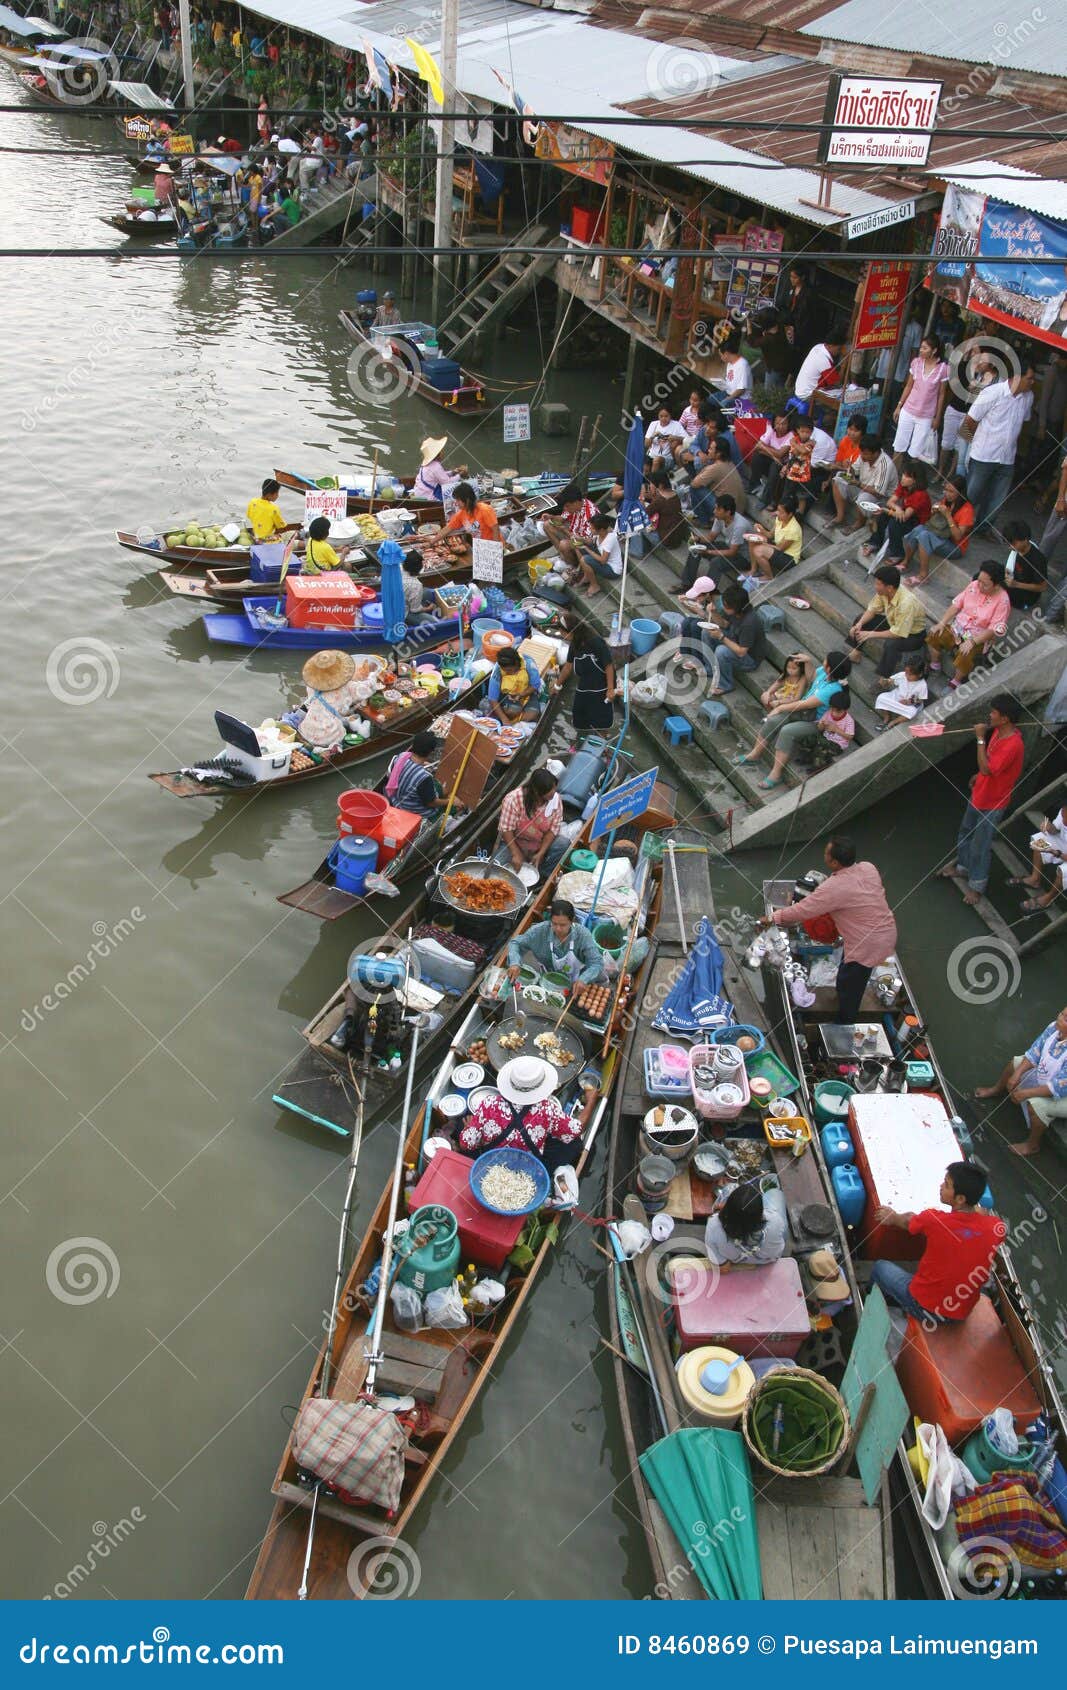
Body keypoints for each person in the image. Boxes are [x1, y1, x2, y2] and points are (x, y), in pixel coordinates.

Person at [758, 836, 898, 1023]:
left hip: (868, 944)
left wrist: (772, 918)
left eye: (826, 853)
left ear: (834, 861)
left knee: (851, 988)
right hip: (886, 932)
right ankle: (842, 993)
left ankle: (845, 1021)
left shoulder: (834, 888)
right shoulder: (868, 867)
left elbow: (802, 910)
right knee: (847, 972)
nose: (823, 854)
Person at [870, 1162, 1005, 1320]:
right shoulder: (995, 1226)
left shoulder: (933, 1220)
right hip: (962, 1312)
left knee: (880, 1267)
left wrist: (893, 1217)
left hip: (927, 1309)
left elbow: (907, 1221)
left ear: (961, 1199)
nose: (941, 1186)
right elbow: (989, 1221)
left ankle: (880, 1303)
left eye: (947, 1185)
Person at [940, 694, 1024, 903]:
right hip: (980, 793)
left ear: (1004, 718)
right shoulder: (997, 732)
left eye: (994, 712)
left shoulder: (1013, 745)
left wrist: (979, 738)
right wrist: (977, 777)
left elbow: (987, 767)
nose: (990, 715)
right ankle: (963, 867)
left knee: (981, 845)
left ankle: (977, 887)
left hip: (994, 802)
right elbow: (989, 763)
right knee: (965, 831)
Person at [735, 651, 852, 790]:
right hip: (802, 712)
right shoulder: (823, 672)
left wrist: (780, 707)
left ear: (830, 668)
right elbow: (812, 678)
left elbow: (806, 704)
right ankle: (755, 754)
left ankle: (776, 774)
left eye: (826, 661)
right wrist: (808, 661)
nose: (823, 661)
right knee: (773, 721)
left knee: (787, 731)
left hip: (815, 721)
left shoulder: (833, 689)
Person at [456, 1056, 594, 1171]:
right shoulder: (548, 1110)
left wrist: (469, 1127)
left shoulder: (489, 1103)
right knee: (574, 1143)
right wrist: (591, 1101)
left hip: (491, 1164)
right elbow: (576, 1129)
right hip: (525, 1169)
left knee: (460, 1123)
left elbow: (465, 1144)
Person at [975, 1008, 1067, 1156]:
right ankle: (997, 1089)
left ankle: (1032, 1145)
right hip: (1048, 1074)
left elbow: (1058, 1087)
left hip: (1063, 1094)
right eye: (1062, 1013)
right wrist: (1016, 1074)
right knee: (1015, 1063)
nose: (1059, 1017)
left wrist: (1026, 1093)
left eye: (1065, 1019)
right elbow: (1034, 1053)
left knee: (1037, 1106)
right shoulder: (1053, 1028)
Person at [960, 365, 1036, 531]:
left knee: (997, 498)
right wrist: (974, 445)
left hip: (1007, 457)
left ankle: (983, 529)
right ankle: (957, 525)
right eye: (1029, 378)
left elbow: (1023, 422)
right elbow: (969, 421)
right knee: (972, 494)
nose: (1032, 382)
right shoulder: (992, 392)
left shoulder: (1028, 397)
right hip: (983, 455)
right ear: (1017, 377)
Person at [926, 562, 1011, 686]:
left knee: (966, 653)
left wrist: (972, 642)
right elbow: (957, 604)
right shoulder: (974, 585)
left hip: (978, 636)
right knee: (934, 634)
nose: (980, 586)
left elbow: (993, 629)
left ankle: (956, 681)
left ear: (996, 585)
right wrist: (942, 623)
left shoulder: (1003, 601)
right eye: (979, 581)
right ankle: (935, 665)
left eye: (985, 584)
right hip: (958, 627)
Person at [682, 581, 766, 695]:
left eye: (725, 605)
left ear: (736, 607)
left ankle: (726, 685)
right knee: (707, 632)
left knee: (721, 651)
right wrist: (714, 613)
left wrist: (721, 637)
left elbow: (741, 652)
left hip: (749, 659)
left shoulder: (749, 623)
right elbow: (725, 624)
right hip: (734, 639)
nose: (723, 605)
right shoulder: (735, 611)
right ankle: (709, 668)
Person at [847, 564, 927, 676]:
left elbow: (898, 633)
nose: (875, 586)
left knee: (891, 644)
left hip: (913, 635)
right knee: (861, 618)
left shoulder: (906, 603)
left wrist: (871, 634)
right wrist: (859, 624)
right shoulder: (884, 592)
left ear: (889, 587)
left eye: (878, 584)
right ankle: (856, 652)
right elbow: (872, 609)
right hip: (893, 623)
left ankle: (883, 677)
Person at [507, 898, 605, 987]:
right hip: (548, 978)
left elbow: (596, 962)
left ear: (572, 921)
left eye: (563, 925)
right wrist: (515, 963)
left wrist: (583, 980)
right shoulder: (539, 931)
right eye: (554, 924)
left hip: (575, 980)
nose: (558, 929)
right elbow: (515, 943)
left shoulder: (583, 935)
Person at [902, 474, 975, 584]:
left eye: (951, 492)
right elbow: (934, 523)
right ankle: (905, 562)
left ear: (960, 493)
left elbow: (958, 536)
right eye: (945, 490)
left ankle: (923, 575)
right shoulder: (946, 500)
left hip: (955, 547)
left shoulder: (967, 509)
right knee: (919, 529)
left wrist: (948, 516)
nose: (947, 494)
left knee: (924, 535)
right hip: (940, 536)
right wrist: (934, 511)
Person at [494, 767, 566, 875]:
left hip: (538, 843)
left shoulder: (555, 799)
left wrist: (541, 852)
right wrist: (516, 853)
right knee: (496, 867)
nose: (554, 793)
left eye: (554, 789)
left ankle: (542, 876)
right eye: (549, 792)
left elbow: (553, 830)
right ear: (537, 793)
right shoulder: (513, 799)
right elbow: (506, 829)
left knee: (563, 844)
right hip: (515, 843)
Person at [891, 335, 950, 466]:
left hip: (926, 416)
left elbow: (941, 395)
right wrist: (899, 405)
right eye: (921, 347)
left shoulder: (943, 369)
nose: (921, 350)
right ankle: (893, 479)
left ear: (934, 350)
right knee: (899, 446)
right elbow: (908, 385)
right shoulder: (916, 362)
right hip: (908, 410)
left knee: (916, 452)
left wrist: (937, 417)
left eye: (925, 348)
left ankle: (908, 480)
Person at [703, 1182, 787, 1270]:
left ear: (727, 1208)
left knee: (730, 1187)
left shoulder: (713, 1226)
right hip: (768, 1259)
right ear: (761, 1212)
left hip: (737, 1259)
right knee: (775, 1193)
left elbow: (724, 1268)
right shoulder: (775, 1221)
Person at [861, 463, 931, 567]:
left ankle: (897, 553)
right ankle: (875, 542)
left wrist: (886, 510)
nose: (903, 478)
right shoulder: (904, 486)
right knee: (883, 517)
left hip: (917, 522)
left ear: (915, 480)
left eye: (907, 476)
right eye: (903, 474)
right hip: (905, 513)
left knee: (895, 523)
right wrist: (897, 508)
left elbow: (905, 516)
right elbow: (890, 502)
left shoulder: (920, 495)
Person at [680, 495, 753, 590]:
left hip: (743, 558)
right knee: (696, 549)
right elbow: (710, 537)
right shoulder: (719, 518)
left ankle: (707, 593)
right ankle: (686, 584)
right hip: (728, 547)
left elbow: (732, 552)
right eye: (715, 508)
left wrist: (709, 552)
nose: (714, 511)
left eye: (718, 509)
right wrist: (697, 539)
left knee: (717, 562)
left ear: (728, 512)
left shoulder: (740, 526)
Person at [556, 616, 616, 730]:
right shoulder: (574, 644)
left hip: (601, 687)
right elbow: (568, 667)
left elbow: (609, 666)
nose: (562, 635)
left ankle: (602, 743)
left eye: (562, 633)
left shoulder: (596, 642)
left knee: (601, 718)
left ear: (571, 632)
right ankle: (580, 739)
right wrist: (557, 685)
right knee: (579, 715)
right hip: (584, 685)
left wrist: (610, 689)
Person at [1011, 796, 1067, 913]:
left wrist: (1054, 852)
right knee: (1039, 842)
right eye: (1063, 811)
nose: (1063, 815)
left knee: (1063, 871)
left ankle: (1048, 898)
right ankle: (1034, 879)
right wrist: (1049, 827)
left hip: (1063, 853)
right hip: (1064, 844)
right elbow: (1056, 830)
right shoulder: (1063, 812)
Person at [831, 434, 898, 530]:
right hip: (863, 487)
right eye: (861, 452)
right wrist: (848, 467)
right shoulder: (863, 455)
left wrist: (858, 484)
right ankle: (840, 516)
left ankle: (860, 522)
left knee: (863, 498)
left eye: (865, 454)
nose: (862, 456)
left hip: (881, 498)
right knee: (839, 477)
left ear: (875, 454)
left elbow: (878, 492)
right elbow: (854, 470)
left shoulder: (885, 465)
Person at [298, 649, 362, 749]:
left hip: (307, 731)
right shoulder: (342, 690)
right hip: (329, 737)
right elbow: (343, 710)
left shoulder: (311, 686)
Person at [743, 493, 802, 582]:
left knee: (758, 550)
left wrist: (763, 543)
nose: (778, 513)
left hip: (789, 559)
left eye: (781, 512)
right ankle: (753, 569)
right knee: (753, 539)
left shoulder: (794, 529)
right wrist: (762, 530)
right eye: (778, 510)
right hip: (777, 548)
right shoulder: (779, 519)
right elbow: (770, 535)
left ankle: (768, 576)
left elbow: (780, 548)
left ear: (790, 514)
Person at [541, 481, 599, 570]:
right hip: (574, 534)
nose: (565, 509)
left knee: (564, 544)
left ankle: (574, 564)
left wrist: (565, 530)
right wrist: (551, 516)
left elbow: (587, 542)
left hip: (587, 546)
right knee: (547, 525)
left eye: (567, 506)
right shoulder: (572, 507)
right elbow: (562, 518)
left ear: (576, 502)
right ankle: (563, 556)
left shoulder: (590, 515)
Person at [781, 265, 829, 372]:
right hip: (789, 325)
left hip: (802, 329)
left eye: (795, 277)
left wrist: (797, 327)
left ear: (802, 277)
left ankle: (792, 374)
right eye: (791, 277)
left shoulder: (809, 293)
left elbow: (811, 314)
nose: (791, 279)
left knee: (798, 354)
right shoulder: (790, 288)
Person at [385, 730, 443, 816]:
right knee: (445, 794)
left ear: (413, 746)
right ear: (431, 752)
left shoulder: (401, 756)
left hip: (394, 799)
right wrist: (450, 801)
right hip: (409, 811)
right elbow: (430, 803)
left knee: (439, 788)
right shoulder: (424, 777)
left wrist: (423, 764)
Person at [689, 439, 745, 526]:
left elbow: (694, 484)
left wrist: (704, 467)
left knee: (694, 488)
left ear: (718, 454)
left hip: (729, 511)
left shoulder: (715, 468)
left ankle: (704, 521)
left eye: (711, 449)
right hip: (738, 508)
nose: (708, 451)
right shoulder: (729, 463)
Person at [1001, 520, 1050, 612]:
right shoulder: (1016, 551)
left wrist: (1016, 584)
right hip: (1013, 582)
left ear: (1025, 539)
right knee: (986, 574)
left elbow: (1043, 587)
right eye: (1008, 544)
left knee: (996, 590)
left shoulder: (1038, 559)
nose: (1010, 547)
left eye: (1013, 544)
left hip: (1025, 593)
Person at [747, 412, 794, 504]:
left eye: (783, 424)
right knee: (757, 456)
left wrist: (764, 448)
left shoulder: (791, 436)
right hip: (772, 459)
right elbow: (757, 447)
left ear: (789, 424)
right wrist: (773, 454)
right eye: (777, 423)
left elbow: (780, 454)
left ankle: (766, 499)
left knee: (775, 465)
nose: (780, 426)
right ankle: (754, 485)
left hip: (783, 465)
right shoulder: (771, 430)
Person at [487, 644, 542, 723]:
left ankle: (518, 720)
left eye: (510, 670)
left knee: (532, 715)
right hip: (507, 694)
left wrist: (521, 695)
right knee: (512, 712)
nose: (510, 673)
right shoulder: (497, 671)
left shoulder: (529, 663)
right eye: (506, 671)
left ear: (517, 663)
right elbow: (492, 699)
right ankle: (507, 717)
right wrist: (504, 719)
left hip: (528, 692)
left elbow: (535, 685)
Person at [574, 513, 622, 596]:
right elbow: (591, 541)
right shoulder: (600, 534)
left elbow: (603, 561)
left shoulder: (610, 539)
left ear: (602, 530)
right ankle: (587, 575)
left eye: (592, 528)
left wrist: (587, 550)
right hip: (604, 561)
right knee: (578, 547)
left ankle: (594, 585)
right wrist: (580, 539)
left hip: (612, 570)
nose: (590, 529)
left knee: (585, 559)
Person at [875, 656, 929, 727]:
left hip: (911, 704)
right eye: (906, 673)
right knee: (881, 698)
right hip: (897, 697)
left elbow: (921, 700)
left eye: (910, 675)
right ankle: (886, 717)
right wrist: (886, 682)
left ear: (920, 674)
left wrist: (909, 702)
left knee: (912, 712)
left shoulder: (922, 685)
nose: (906, 676)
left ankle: (894, 722)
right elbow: (891, 681)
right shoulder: (902, 675)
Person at [639, 470, 684, 551]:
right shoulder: (675, 494)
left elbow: (643, 515)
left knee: (637, 524)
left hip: (665, 541)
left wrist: (641, 498)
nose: (650, 486)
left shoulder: (660, 500)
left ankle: (638, 552)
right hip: (677, 539)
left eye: (651, 483)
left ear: (660, 485)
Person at [792, 336, 844, 406]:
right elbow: (837, 383)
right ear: (830, 346)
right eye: (839, 349)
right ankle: (828, 416)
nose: (839, 351)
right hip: (808, 395)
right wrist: (844, 364)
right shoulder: (824, 360)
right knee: (838, 403)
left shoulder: (818, 347)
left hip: (800, 389)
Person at [413, 435, 466, 503]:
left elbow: (440, 476)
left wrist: (453, 472)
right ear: (437, 453)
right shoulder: (436, 466)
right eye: (441, 451)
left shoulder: (427, 464)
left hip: (419, 493)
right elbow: (447, 483)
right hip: (428, 497)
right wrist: (460, 475)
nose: (442, 452)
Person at [246, 477, 298, 542]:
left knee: (293, 533)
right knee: (297, 537)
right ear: (269, 495)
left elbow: (249, 516)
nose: (278, 495)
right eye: (277, 493)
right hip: (270, 542)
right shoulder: (273, 509)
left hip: (256, 538)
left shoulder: (252, 502)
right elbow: (281, 528)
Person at [819, 690, 855, 755]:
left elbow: (850, 737)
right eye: (832, 709)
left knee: (824, 751)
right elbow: (820, 728)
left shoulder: (849, 720)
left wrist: (836, 729)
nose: (834, 713)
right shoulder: (828, 713)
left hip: (838, 744)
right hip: (825, 738)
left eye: (838, 711)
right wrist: (822, 724)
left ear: (846, 710)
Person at [400, 553, 427, 621]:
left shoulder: (398, 568)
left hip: (390, 603)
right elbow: (414, 610)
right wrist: (429, 608)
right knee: (433, 621)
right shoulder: (416, 585)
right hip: (402, 613)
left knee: (428, 592)